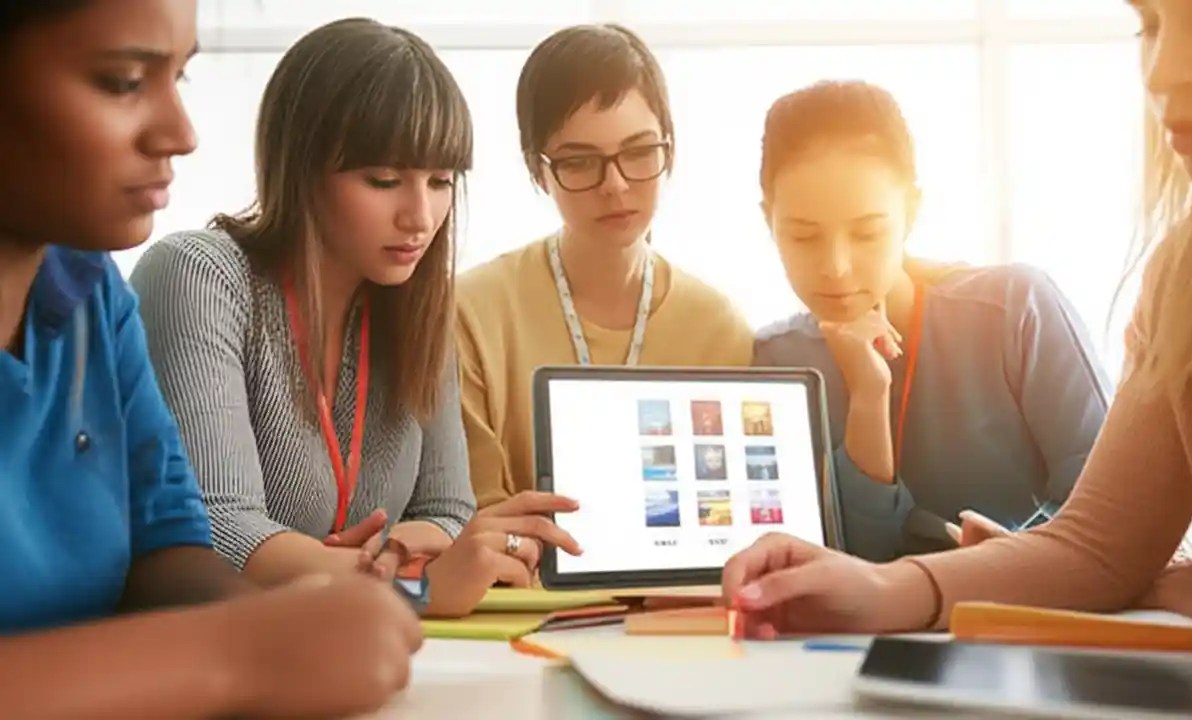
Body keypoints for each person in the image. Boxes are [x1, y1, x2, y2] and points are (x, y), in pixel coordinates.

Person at [722, 0, 1192, 647]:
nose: (1162, 72)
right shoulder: (1190, 278)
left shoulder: (1015, 307)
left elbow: (1116, 548)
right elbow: (1102, 547)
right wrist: (880, 589)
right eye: (1149, 24)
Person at [0, 2, 422, 716]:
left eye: (181, 77)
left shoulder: (91, 292)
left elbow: (165, 550)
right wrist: (239, 654)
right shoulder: (198, 276)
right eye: (122, 81)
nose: (181, 133)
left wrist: (297, 625)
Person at [130, 18, 581, 615]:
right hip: (225, 653)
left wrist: (388, 550)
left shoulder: (419, 305)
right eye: (384, 180)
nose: (420, 216)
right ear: (302, 169)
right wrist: (405, 585)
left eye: (442, 181)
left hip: (351, 648)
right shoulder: (200, 275)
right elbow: (218, 529)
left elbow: (448, 511)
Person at [753, 80, 1111, 560]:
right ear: (768, 222)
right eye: (803, 237)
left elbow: (1113, 509)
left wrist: (1009, 556)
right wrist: (867, 398)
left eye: (866, 233)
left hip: (1036, 616)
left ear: (911, 212)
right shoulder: (777, 361)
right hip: (867, 629)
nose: (836, 267)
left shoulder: (1015, 310)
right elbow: (853, 565)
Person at [457, 24, 755, 508]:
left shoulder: (717, 327)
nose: (614, 185)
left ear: (670, 148)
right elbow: (474, 512)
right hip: (519, 581)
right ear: (539, 170)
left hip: (677, 582)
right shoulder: (472, 313)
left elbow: (723, 508)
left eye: (639, 152)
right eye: (579, 162)